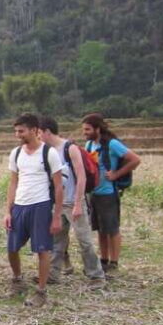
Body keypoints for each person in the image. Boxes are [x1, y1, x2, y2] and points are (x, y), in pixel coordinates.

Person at [38, 116, 106, 289]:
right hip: (58, 203)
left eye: (39, 133)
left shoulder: (70, 148)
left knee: (84, 240)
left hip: (73, 202)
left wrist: (77, 202)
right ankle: (53, 274)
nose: (37, 137)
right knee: (56, 240)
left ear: (47, 131)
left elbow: (81, 176)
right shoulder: (47, 150)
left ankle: (96, 276)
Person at [4, 113, 63, 307]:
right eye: (16, 131)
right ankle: (18, 280)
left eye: (21, 131)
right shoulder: (16, 153)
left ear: (34, 130)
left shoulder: (49, 153)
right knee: (12, 247)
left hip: (41, 206)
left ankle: (41, 292)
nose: (17, 135)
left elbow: (59, 186)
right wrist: (8, 211)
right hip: (19, 206)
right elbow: (13, 183)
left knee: (42, 250)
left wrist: (56, 217)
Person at [81, 113, 141, 275]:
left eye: (87, 129)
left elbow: (135, 159)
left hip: (108, 193)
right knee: (100, 229)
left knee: (112, 229)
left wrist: (116, 174)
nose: (84, 133)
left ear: (97, 129)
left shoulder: (112, 144)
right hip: (94, 193)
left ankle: (114, 263)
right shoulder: (89, 145)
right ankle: (104, 260)